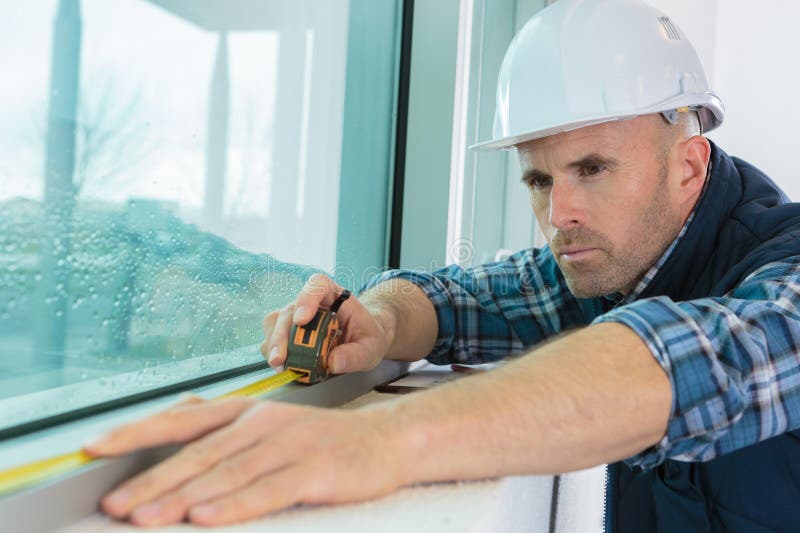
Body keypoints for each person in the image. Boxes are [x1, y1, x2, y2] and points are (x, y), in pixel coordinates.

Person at [84, 0, 800, 530]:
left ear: (688, 163)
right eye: (540, 181)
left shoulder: (786, 276)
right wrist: (381, 320)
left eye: (592, 168)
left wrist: (375, 441)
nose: (561, 214)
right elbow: (474, 296)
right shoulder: (620, 257)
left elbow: (695, 364)